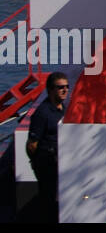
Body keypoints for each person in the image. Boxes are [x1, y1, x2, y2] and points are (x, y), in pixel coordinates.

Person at [25, 71, 68, 222]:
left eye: (66, 86)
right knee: (48, 199)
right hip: (47, 164)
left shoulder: (63, 108)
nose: (65, 90)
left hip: (61, 162)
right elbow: (31, 145)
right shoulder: (42, 114)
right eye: (60, 87)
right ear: (50, 89)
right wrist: (38, 162)